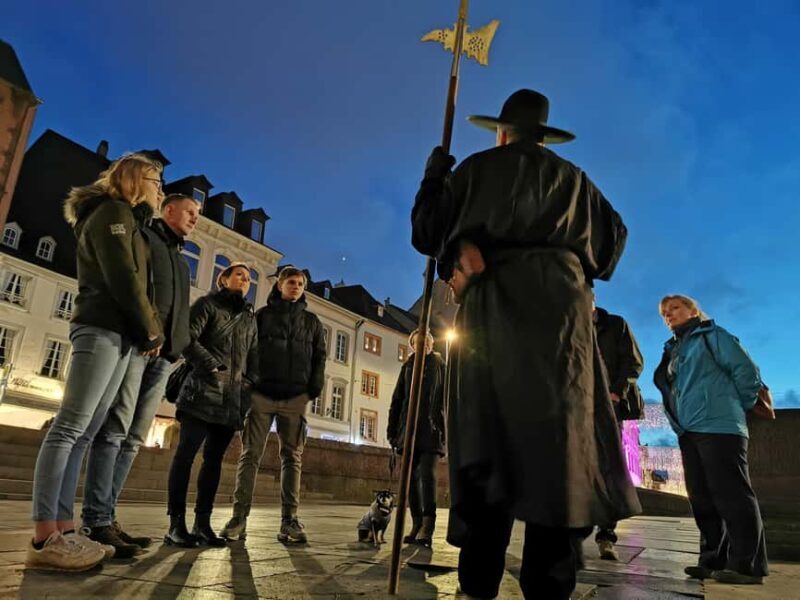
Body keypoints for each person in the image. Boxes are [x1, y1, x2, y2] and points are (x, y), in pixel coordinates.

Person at [411, 89, 640, 599]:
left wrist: (434, 176)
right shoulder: (576, 180)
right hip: (563, 322)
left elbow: (427, 231)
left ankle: (478, 584)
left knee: (488, 443)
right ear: (544, 135)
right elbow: (613, 244)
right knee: (558, 451)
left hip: (498, 312)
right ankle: (550, 586)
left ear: (502, 131)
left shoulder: (476, 169)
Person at [26, 154, 165, 571]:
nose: (160, 189)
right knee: (69, 427)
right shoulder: (111, 212)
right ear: (134, 178)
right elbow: (121, 275)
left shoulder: (130, 220)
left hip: (121, 333)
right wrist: (151, 328)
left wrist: (141, 329)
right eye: (156, 180)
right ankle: (44, 535)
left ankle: (66, 530)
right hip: (101, 326)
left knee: (85, 433)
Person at [79, 193, 199, 554]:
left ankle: (108, 517)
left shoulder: (180, 259)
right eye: (191, 212)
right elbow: (134, 287)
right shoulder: (144, 238)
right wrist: (146, 330)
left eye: (197, 215)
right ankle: (96, 520)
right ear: (169, 210)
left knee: (133, 438)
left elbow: (178, 309)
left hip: (164, 356)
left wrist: (176, 346)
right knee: (114, 431)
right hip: (139, 345)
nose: (195, 219)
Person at [654, 294, 768, 585]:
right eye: (665, 313)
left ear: (693, 310)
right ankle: (712, 560)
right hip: (688, 430)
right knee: (702, 498)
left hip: (720, 426)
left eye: (675, 308)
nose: (669, 315)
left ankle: (746, 564)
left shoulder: (714, 335)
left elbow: (746, 372)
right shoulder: (673, 348)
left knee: (732, 494)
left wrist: (731, 406)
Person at [220, 266, 326, 544]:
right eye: (291, 282)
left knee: (292, 458)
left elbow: (320, 357)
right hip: (261, 395)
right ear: (279, 285)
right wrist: (249, 383)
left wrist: (313, 387)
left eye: (301, 283)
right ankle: (239, 518)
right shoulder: (262, 317)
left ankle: (289, 521)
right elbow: (247, 351)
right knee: (250, 454)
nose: (296, 286)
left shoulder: (312, 322)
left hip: (295, 397)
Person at [164, 262, 258, 547]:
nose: (244, 281)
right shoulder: (206, 305)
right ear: (223, 278)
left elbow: (254, 358)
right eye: (239, 275)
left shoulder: (249, 319)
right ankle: (175, 524)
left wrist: (248, 386)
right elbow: (187, 339)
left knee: (214, 461)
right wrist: (211, 366)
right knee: (185, 455)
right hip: (201, 392)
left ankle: (202, 523)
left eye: (248, 279)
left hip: (231, 400)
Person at [593, 298, 644, 560]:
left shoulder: (615, 324)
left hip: (610, 405)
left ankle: (606, 535)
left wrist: (616, 392)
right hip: (579, 405)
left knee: (609, 466)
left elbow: (634, 361)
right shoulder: (569, 324)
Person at [387, 329, 445, 547]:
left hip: (430, 432)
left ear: (431, 343)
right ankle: (417, 522)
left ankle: (428, 525)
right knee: (409, 479)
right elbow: (398, 399)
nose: (423, 345)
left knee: (427, 476)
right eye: (418, 342)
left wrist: (443, 427)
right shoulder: (408, 366)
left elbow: (445, 398)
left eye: (427, 341)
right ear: (412, 345)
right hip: (408, 432)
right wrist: (392, 431)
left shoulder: (439, 364)